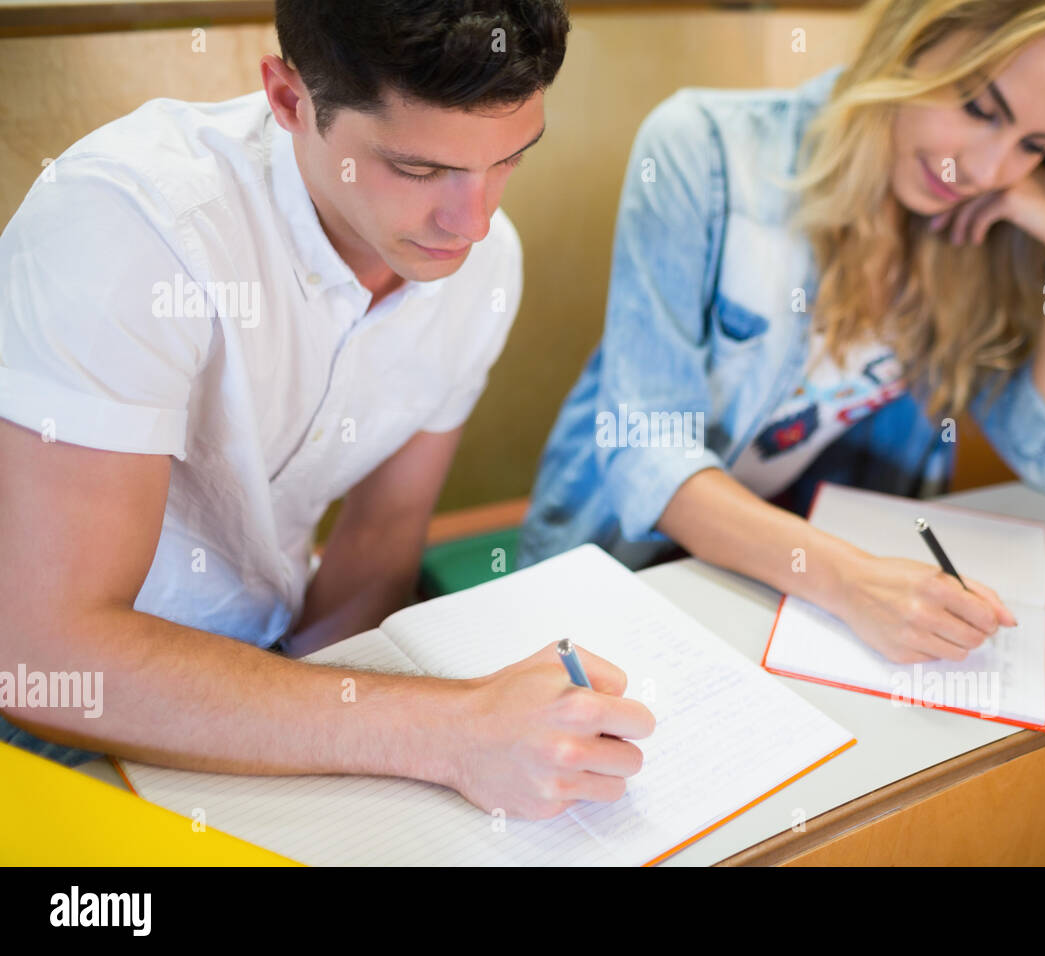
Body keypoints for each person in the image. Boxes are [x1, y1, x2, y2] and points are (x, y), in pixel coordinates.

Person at [0, 0, 652, 821]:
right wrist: (447, 730)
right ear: (288, 99)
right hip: (49, 726)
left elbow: (379, 539)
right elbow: (42, 656)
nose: (474, 222)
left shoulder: (484, 267)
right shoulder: (130, 228)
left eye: (509, 160)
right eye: (418, 170)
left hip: (276, 668)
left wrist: (351, 742)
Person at [521, 0, 1045, 666]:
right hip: (627, 561)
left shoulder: (985, 224)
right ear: (908, 41)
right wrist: (849, 581)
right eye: (978, 108)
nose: (988, 170)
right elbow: (649, 452)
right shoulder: (702, 148)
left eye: (1035, 146)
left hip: (799, 585)